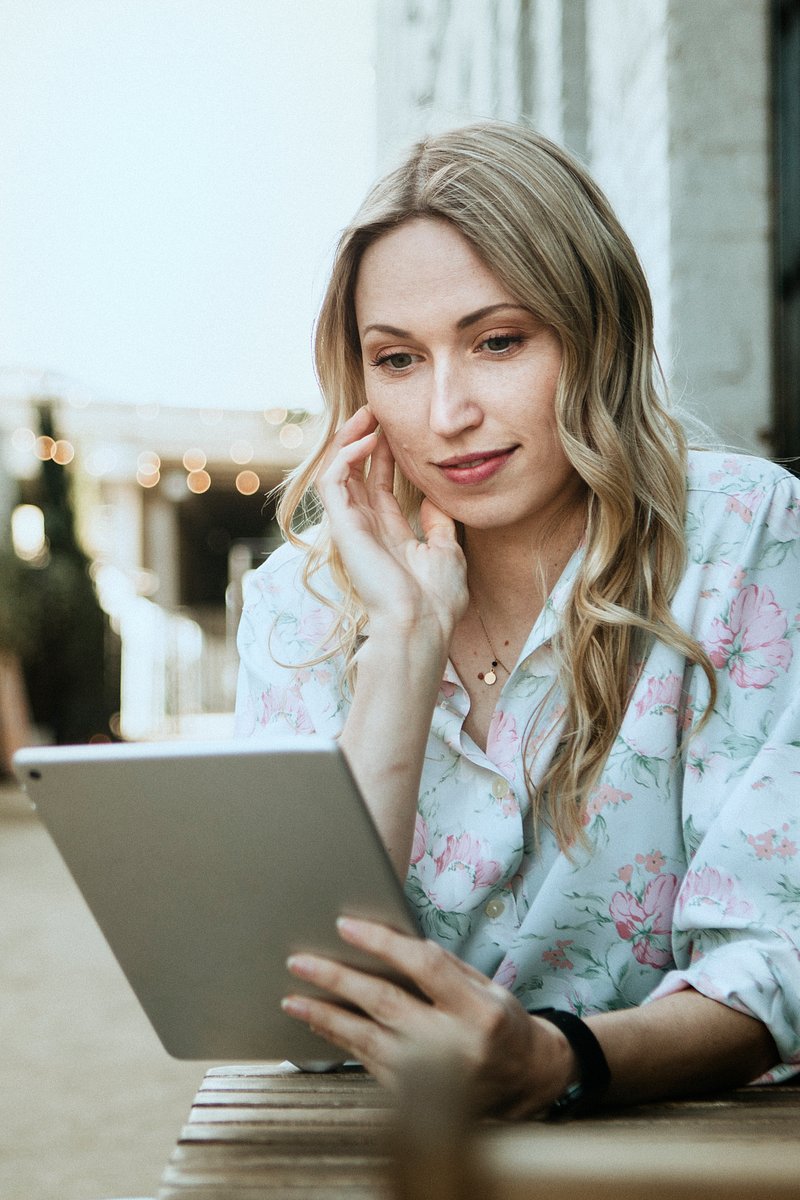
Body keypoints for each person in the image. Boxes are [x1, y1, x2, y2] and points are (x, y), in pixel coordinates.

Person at [235, 121, 800, 1119]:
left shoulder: (741, 534)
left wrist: (555, 1061)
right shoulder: (299, 606)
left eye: (496, 342)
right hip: (386, 1159)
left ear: (595, 331)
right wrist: (404, 646)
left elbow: (775, 960)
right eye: (397, 360)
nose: (446, 412)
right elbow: (302, 1004)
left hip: (693, 1150)